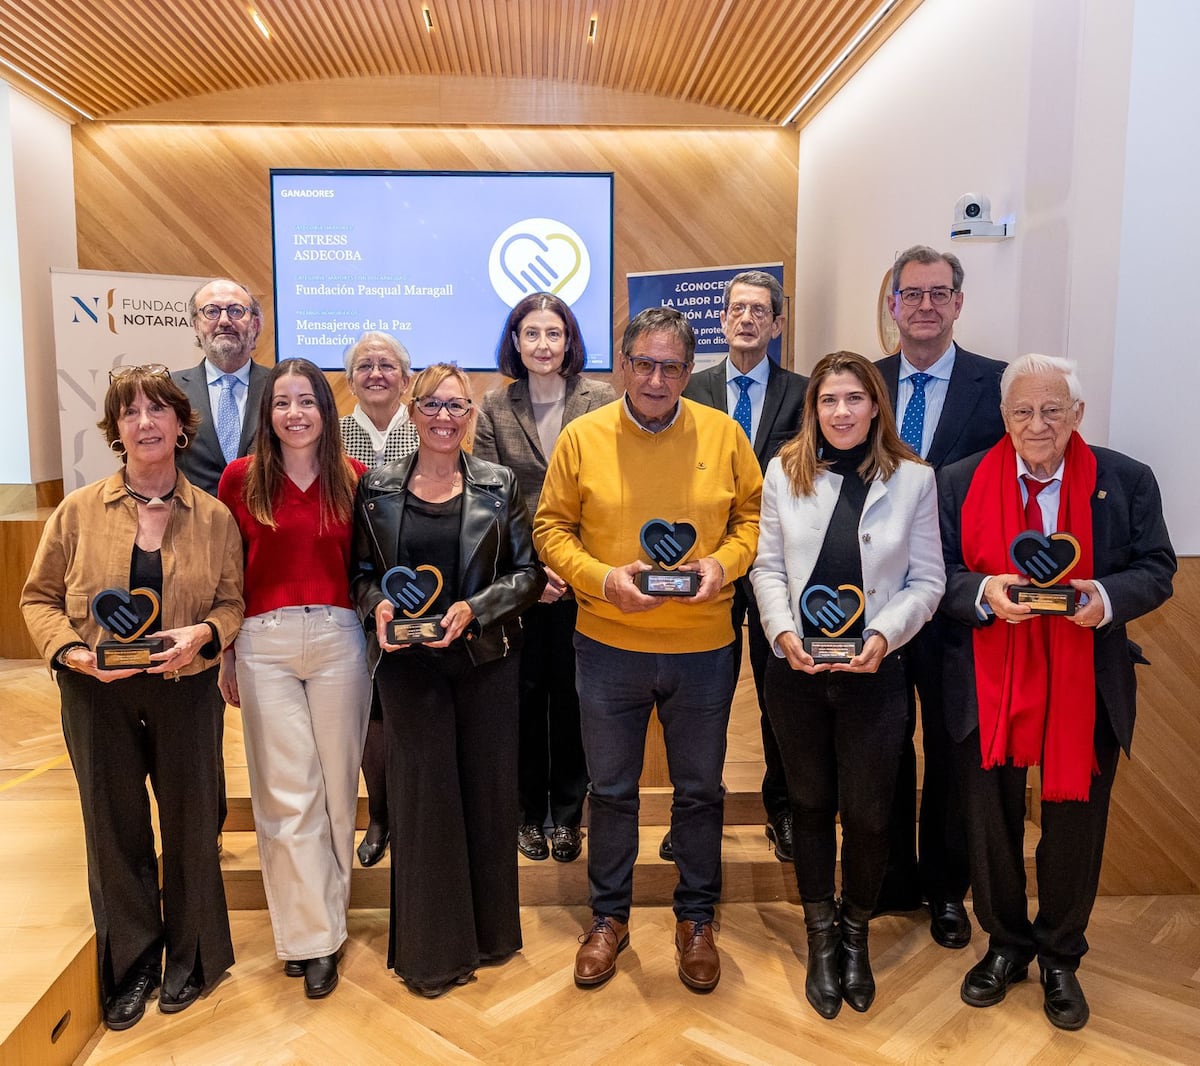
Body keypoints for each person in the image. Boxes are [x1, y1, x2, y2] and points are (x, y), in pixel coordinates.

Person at [939, 353, 1175, 1031]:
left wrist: (1102, 598)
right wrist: (984, 592)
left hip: (1086, 681)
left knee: (1075, 827)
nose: (1036, 424)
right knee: (990, 822)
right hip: (989, 679)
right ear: (1004, 416)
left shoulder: (1125, 482)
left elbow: (1157, 567)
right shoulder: (958, 482)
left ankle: (1061, 955)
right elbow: (940, 574)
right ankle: (1007, 946)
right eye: (1022, 411)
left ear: (1078, 414)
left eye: (1052, 410)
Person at [534, 307, 761, 993]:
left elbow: (751, 518)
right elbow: (551, 527)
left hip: (703, 649)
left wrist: (723, 565)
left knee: (699, 792)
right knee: (612, 791)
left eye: (672, 366)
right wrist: (602, 579)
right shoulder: (583, 437)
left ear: (689, 372)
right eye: (645, 363)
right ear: (623, 365)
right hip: (608, 645)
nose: (657, 378)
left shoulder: (724, 435)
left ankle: (697, 919)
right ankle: (609, 919)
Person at [21, 365, 243, 1031]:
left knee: (191, 821)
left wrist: (204, 633)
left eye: (157, 410)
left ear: (181, 426)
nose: (144, 422)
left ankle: (192, 955)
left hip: (187, 691)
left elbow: (233, 602)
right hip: (98, 695)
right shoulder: (79, 510)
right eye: (129, 413)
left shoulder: (215, 516)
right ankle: (135, 963)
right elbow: (39, 598)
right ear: (116, 430)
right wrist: (74, 654)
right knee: (114, 829)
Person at [750, 351, 944, 1018]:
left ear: (874, 407)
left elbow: (929, 581)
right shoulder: (783, 471)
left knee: (867, 813)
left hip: (875, 677)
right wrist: (782, 635)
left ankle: (855, 933)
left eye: (853, 399)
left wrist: (883, 636)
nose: (840, 412)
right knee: (808, 805)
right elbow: (766, 567)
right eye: (828, 400)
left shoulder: (914, 479)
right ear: (813, 409)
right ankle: (819, 934)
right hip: (796, 675)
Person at [351, 363, 545, 998]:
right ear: (412, 411)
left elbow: (526, 574)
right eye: (432, 405)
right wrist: (376, 603)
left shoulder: (499, 483)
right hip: (409, 669)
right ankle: (432, 953)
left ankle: (490, 937)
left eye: (457, 407)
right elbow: (359, 573)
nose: (444, 417)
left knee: (488, 798)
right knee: (424, 801)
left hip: (483, 661)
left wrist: (474, 610)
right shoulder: (375, 488)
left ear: (470, 416)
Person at [217, 358, 371, 1000]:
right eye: (282, 403)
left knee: (336, 790)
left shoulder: (354, 478)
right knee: (286, 795)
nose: (295, 414)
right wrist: (225, 653)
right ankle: (313, 941)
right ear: (267, 414)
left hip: (339, 640)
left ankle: (320, 924)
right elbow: (228, 574)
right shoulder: (239, 479)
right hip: (264, 643)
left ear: (325, 412)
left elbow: (367, 568)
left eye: (306, 402)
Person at [873, 245, 1007, 947]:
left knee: (955, 751)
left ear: (958, 303)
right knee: (884, 743)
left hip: (960, 601)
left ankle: (946, 889)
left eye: (939, 293)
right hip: (876, 601)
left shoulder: (999, 384)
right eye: (912, 293)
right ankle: (891, 877)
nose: (925, 305)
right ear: (892, 304)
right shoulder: (862, 384)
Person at [473, 293, 615, 864]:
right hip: (523, 579)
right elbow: (488, 496)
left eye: (553, 333)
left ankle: (567, 815)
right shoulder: (493, 407)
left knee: (576, 698)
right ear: (515, 341)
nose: (542, 345)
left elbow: (608, 489)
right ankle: (528, 813)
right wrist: (534, 570)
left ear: (569, 340)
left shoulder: (601, 399)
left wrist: (572, 565)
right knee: (525, 700)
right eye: (530, 334)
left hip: (585, 573)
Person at [679, 269, 808, 864]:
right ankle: (695, 810)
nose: (748, 318)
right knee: (705, 696)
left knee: (781, 690)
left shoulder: (805, 393)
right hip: (703, 566)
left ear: (777, 323)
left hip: (779, 568)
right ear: (722, 318)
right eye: (738, 308)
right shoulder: (689, 388)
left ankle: (781, 807)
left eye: (761, 310)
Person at [172, 277, 272, 845]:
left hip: (267, 557)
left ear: (255, 324)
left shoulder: (282, 385)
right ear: (195, 324)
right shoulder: (170, 389)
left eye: (237, 310)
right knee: (197, 698)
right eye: (212, 311)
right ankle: (202, 827)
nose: (225, 320)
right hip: (192, 562)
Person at [338, 331, 421, 869]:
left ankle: (415, 813)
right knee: (369, 714)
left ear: (406, 378)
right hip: (350, 590)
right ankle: (381, 813)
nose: (376, 374)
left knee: (412, 705)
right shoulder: (332, 432)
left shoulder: (430, 427)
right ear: (348, 380)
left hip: (421, 592)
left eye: (387, 365)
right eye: (364, 365)